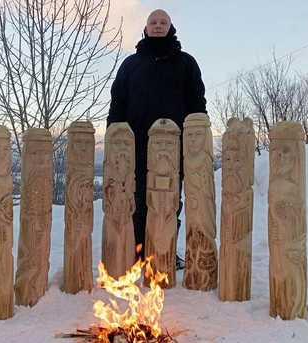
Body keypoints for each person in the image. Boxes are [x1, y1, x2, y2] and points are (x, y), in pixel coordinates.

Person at [106, 9, 207, 268]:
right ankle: (138, 252)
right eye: (154, 22)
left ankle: (165, 252)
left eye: (163, 22)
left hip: (175, 145)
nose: (158, 25)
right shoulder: (131, 64)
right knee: (138, 199)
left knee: (169, 199)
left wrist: (197, 137)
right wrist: (114, 137)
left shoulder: (186, 63)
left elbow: (197, 103)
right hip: (136, 144)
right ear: (146, 27)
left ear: (171, 27)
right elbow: (118, 102)